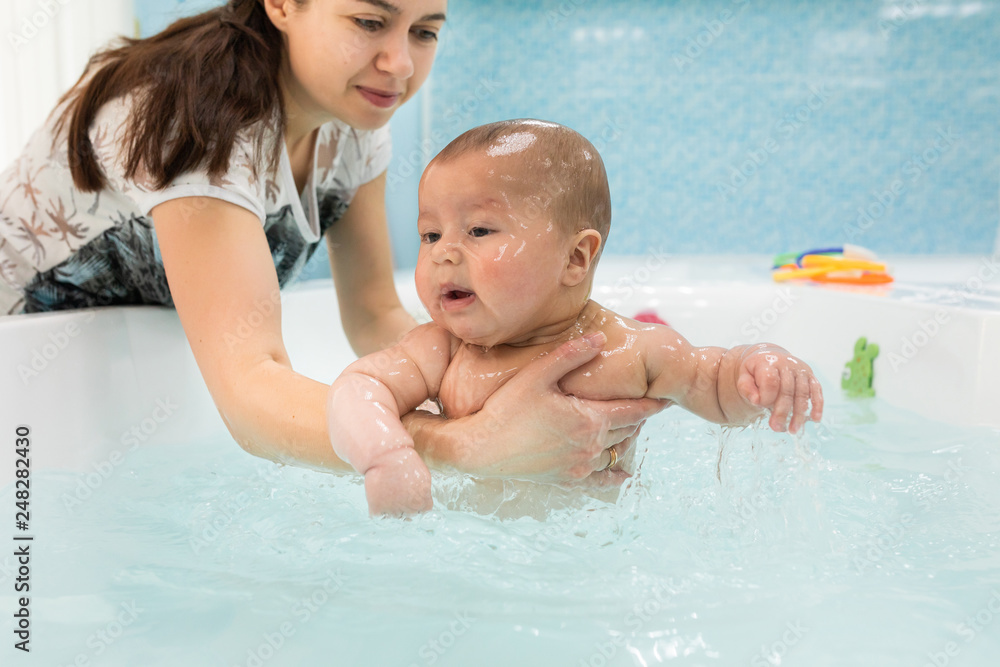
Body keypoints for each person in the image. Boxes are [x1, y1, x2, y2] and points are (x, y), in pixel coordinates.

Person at [0, 1, 662, 481]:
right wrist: (469, 442)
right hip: (27, 386)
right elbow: (252, 394)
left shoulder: (355, 127)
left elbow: (374, 312)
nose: (399, 63)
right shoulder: (189, 118)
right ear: (283, 5)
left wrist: (530, 399)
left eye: (425, 31)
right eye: (370, 22)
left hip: (125, 380)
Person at [327, 119, 825, 516]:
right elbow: (361, 387)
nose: (443, 254)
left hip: (592, 564)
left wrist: (762, 368)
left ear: (576, 259)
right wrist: (387, 457)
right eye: (430, 234)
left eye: (479, 229)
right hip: (475, 556)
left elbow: (716, 385)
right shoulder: (443, 349)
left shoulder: (633, 351)